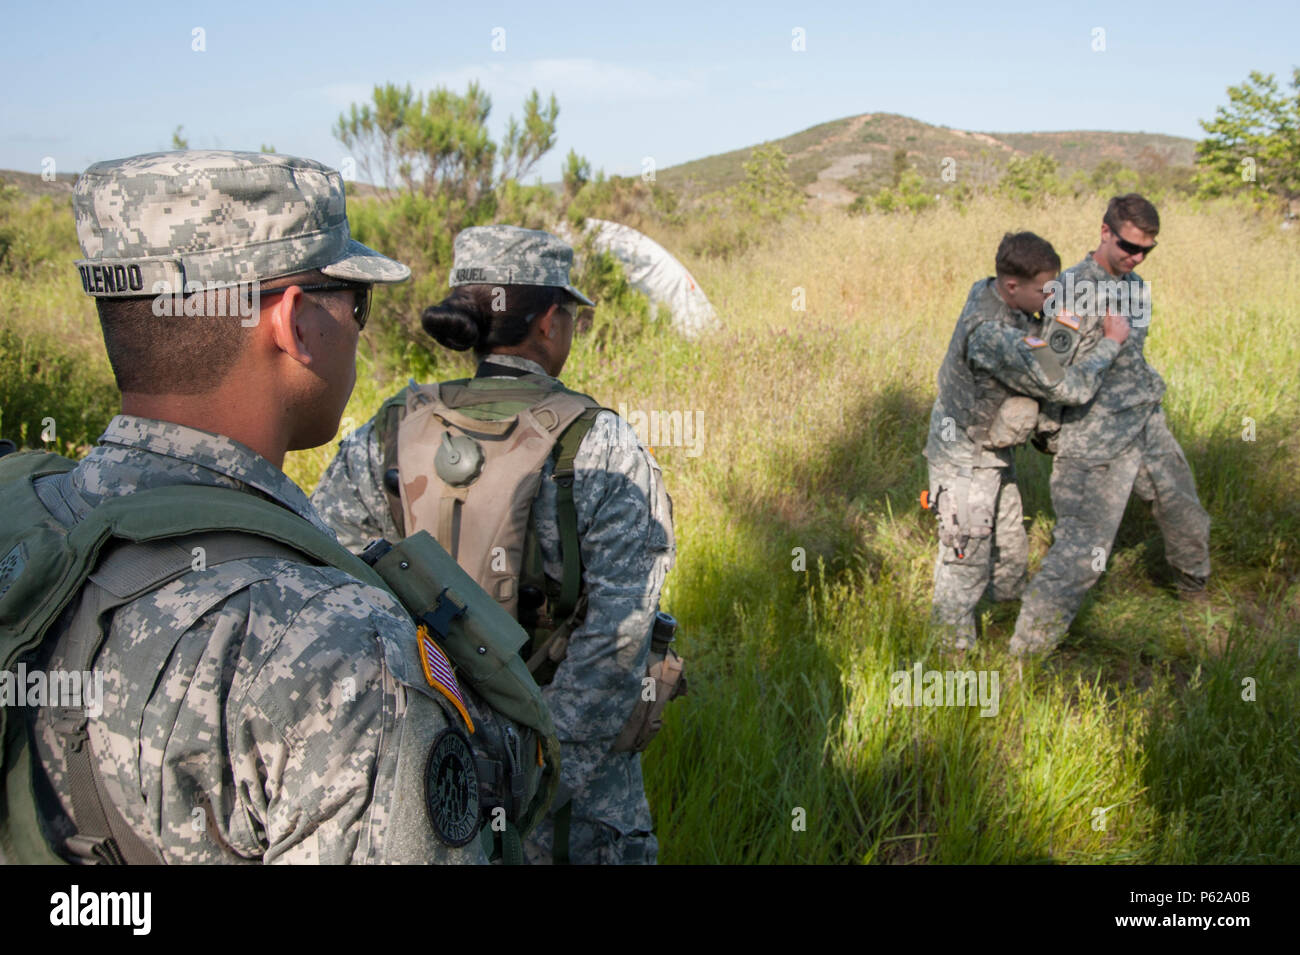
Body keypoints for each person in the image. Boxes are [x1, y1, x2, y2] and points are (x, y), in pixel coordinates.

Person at [3, 149, 494, 864]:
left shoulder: (28, 519)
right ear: (294, 322)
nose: (359, 327)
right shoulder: (333, 646)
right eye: (356, 302)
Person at [312, 225, 676, 864]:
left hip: (428, 772)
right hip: (571, 811)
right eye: (570, 316)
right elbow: (620, 638)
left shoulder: (388, 432)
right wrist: (542, 770)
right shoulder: (602, 445)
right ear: (548, 324)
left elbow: (331, 586)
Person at [1010, 195, 1211, 656]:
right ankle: (1025, 654)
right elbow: (1049, 369)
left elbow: (1132, 355)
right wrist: (1050, 431)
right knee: (1081, 554)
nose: (1136, 257)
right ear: (1105, 232)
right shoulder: (1070, 290)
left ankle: (1195, 593)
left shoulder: (1136, 286)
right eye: (1128, 246)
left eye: (1147, 250)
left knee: (1185, 514)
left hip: (1144, 418)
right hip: (1093, 436)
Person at [924, 231, 1130, 650]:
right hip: (966, 454)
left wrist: (1061, 314)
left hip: (989, 448)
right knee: (965, 555)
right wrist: (1111, 342)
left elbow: (1041, 345)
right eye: (1044, 289)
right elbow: (1066, 387)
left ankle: (999, 618)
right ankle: (951, 655)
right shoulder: (992, 335)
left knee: (1008, 544)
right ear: (1013, 285)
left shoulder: (994, 290)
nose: (1051, 294)